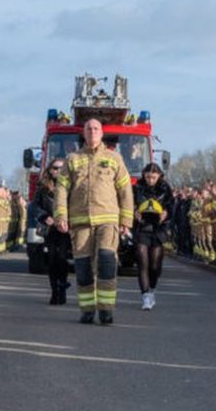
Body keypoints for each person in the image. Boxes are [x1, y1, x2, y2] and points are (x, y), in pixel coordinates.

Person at [54, 119, 134, 325]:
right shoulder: (72, 159)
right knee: (83, 268)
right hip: (80, 222)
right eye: (88, 128)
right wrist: (61, 216)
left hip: (108, 220)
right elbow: (61, 190)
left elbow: (125, 190)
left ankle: (106, 311)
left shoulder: (114, 158)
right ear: (83, 133)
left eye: (96, 128)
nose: (92, 131)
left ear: (102, 133)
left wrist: (126, 219)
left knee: (107, 263)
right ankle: (87, 310)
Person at [133, 163, 175, 310]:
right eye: (148, 176)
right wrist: (134, 212)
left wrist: (166, 213)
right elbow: (129, 203)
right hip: (142, 227)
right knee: (142, 259)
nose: (150, 179)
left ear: (159, 176)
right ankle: (145, 296)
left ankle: (152, 289)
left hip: (158, 228)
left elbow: (171, 205)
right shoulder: (137, 188)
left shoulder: (165, 188)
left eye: (154, 177)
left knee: (155, 264)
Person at [30, 157, 70, 304]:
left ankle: (62, 288)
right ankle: (54, 291)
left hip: (66, 229)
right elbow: (34, 207)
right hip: (51, 229)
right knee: (52, 260)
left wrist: (66, 219)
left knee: (62, 259)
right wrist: (45, 216)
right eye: (54, 168)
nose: (57, 171)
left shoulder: (71, 186)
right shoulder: (43, 188)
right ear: (49, 170)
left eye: (61, 168)